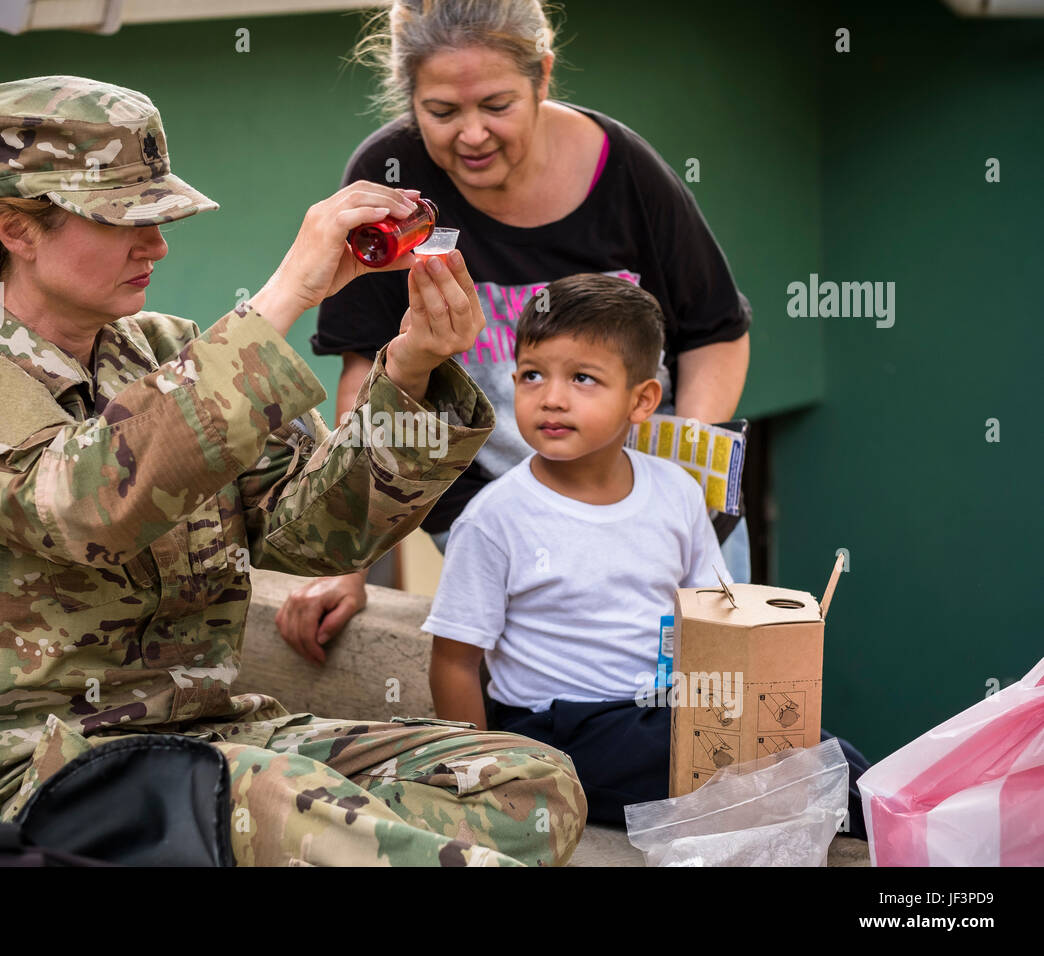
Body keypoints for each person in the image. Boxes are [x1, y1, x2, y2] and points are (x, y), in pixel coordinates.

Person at [0, 74, 587, 867]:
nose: (157, 245)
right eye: (125, 220)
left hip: (211, 738)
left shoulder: (168, 352)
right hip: (34, 773)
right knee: (279, 804)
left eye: (160, 218)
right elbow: (90, 503)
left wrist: (408, 372)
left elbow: (316, 536)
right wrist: (289, 293)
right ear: (15, 228)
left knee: (525, 783)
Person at [276, 0, 754, 662]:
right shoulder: (391, 178)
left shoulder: (627, 172)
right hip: (495, 507)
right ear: (410, 98)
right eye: (442, 112)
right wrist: (349, 558)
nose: (471, 134)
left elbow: (716, 332)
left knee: (713, 692)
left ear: (543, 78)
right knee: (554, 704)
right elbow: (367, 377)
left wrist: (666, 491)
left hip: (652, 497)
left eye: (496, 105)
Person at [421, 274, 871, 836]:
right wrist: (483, 778)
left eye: (583, 378)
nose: (552, 397)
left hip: (666, 705)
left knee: (819, 748)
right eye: (533, 375)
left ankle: (906, 817)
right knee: (754, 774)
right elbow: (455, 661)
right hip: (556, 731)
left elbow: (712, 612)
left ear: (642, 400)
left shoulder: (676, 492)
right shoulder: (494, 520)